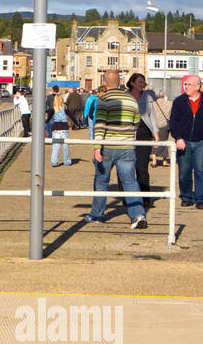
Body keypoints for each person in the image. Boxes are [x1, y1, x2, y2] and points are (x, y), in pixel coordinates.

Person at [83, 70, 147, 229]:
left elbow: (100, 124)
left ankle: (97, 214)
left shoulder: (104, 99)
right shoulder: (131, 100)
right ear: (119, 82)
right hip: (127, 147)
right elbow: (136, 123)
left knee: (101, 180)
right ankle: (138, 215)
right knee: (130, 181)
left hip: (108, 146)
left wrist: (97, 146)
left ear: (105, 83)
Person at [168, 74, 203, 209]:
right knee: (184, 171)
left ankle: (200, 198)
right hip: (183, 141)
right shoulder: (179, 101)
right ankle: (186, 197)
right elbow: (173, 122)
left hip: (201, 141)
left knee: (199, 170)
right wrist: (178, 137)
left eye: (188, 85)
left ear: (197, 86)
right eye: (185, 84)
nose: (185, 87)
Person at [127, 73, 158, 209]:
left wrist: (156, 135)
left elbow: (152, 116)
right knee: (127, 168)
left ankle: (145, 197)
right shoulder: (126, 96)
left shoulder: (148, 97)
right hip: (128, 134)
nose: (142, 84)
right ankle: (127, 197)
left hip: (144, 133)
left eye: (143, 82)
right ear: (132, 83)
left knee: (142, 168)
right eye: (139, 82)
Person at [49, 90, 73, 167]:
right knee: (65, 146)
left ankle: (54, 162)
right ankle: (67, 161)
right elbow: (72, 116)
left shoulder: (53, 109)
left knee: (55, 147)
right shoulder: (65, 108)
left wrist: (45, 122)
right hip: (64, 127)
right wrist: (78, 124)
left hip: (56, 128)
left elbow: (48, 119)